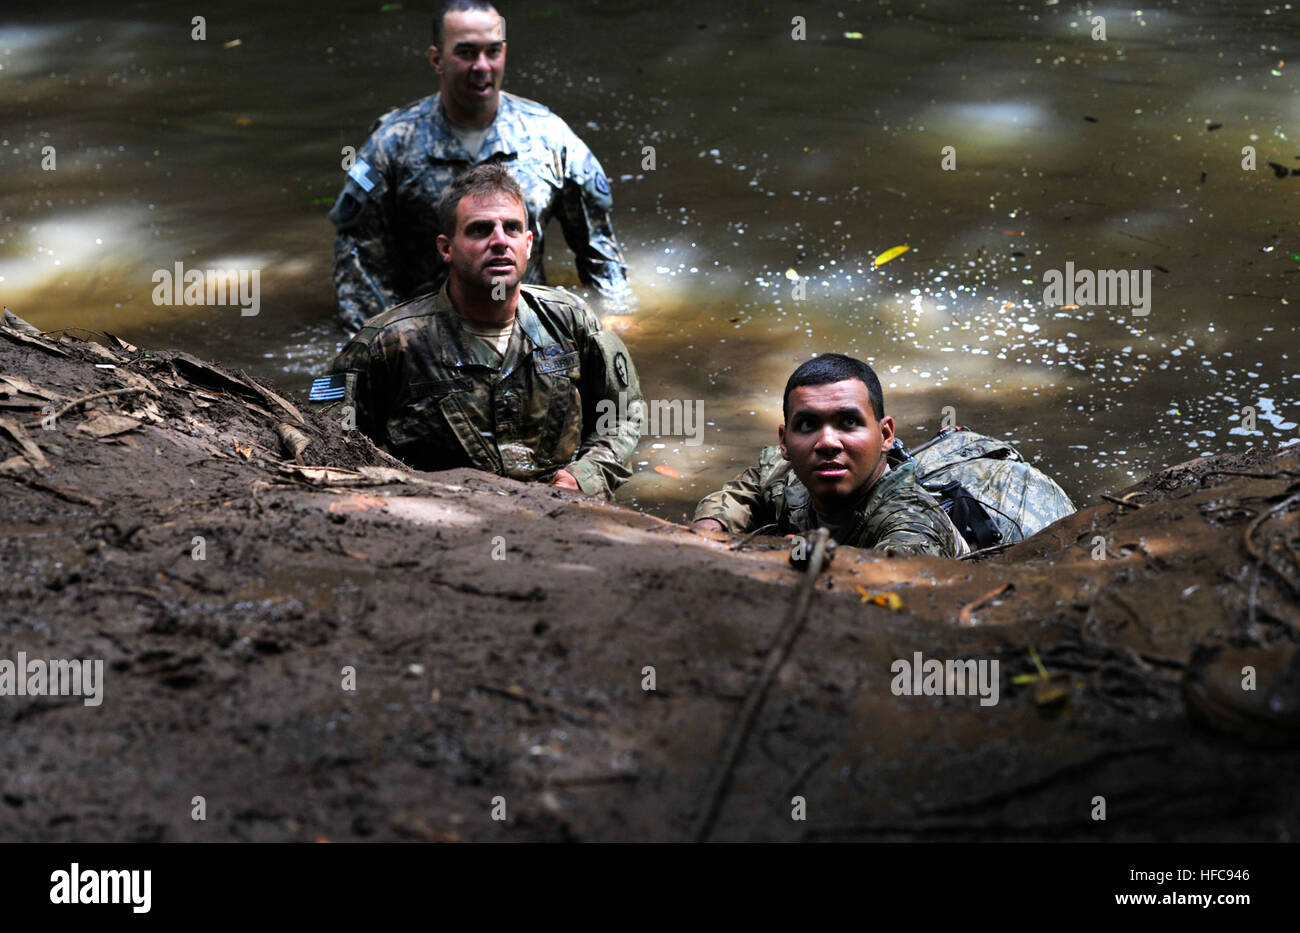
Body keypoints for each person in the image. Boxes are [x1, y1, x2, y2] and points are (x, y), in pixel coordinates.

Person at [317, 164, 642, 499]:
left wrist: (583, 477)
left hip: (559, 506)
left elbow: (622, 414)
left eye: (512, 229)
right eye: (480, 230)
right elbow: (324, 433)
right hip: (446, 514)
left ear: (528, 244)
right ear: (446, 248)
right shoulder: (386, 342)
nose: (499, 241)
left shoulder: (571, 321)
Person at [329, 0, 636, 332]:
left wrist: (616, 319)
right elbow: (359, 263)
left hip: (529, 333)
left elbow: (597, 243)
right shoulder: (392, 144)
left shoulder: (548, 136)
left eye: (492, 51)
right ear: (437, 59)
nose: (482, 66)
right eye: (466, 53)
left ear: (504, 51)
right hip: (424, 339)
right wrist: (378, 344)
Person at [691, 354, 968, 558]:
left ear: (885, 435)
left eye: (848, 422)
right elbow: (745, 491)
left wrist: (801, 556)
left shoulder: (912, 517)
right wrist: (709, 528)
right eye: (808, 425)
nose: (826, 443)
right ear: (784, 441)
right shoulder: (790, 471)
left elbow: (898, 573)